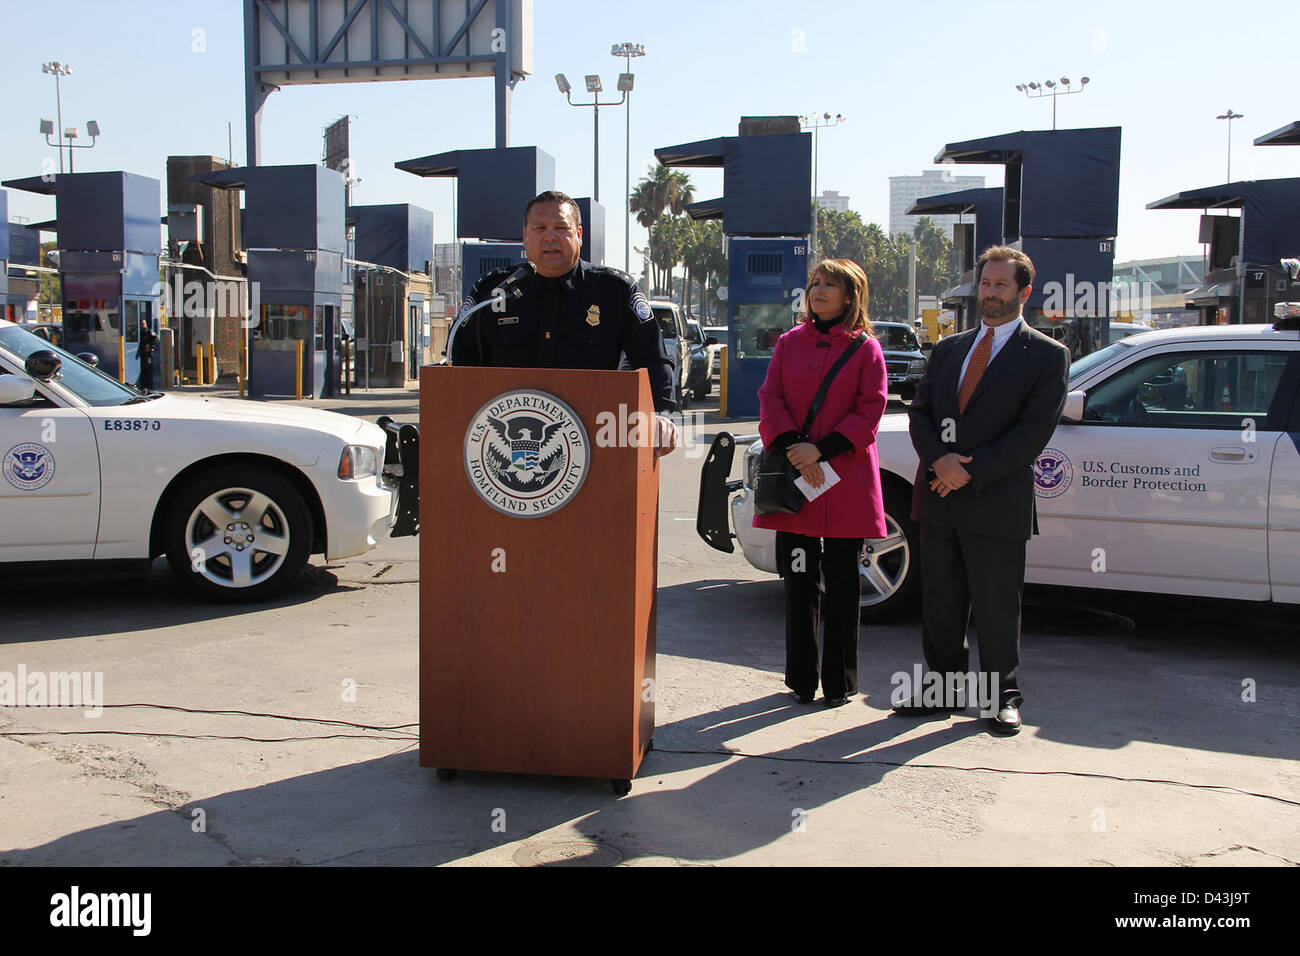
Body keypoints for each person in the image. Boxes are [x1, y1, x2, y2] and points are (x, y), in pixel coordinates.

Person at [899, 246, 1070, 734]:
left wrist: (969, 470)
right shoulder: (950, 349)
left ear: (1024, 292)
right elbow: (921, 413)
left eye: (1001, 285)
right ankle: (943, 690)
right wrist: (941, 461)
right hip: (940, 496)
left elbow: (1033, 432)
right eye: (986, 284)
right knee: (941, 603)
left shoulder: (1046, 355)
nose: (990, 294)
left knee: (997, 605)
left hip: (996, 501)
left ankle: (1002, 697)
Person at [754, 259, 889, 707]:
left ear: (851, 295)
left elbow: (870, 409)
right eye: (815, 283)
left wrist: (821, 449)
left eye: (830, 284)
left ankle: (840, 680)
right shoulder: (789, 343)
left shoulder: (866, 348)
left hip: (843, 480)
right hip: (798, 482)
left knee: (844, 586)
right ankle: (801, 679)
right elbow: (769, 397)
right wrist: (796, 446)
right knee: (798, 581)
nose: (818, 290)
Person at [452, 189, 678, 455]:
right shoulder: (492, 292)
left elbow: (652, 358)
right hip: (504, 447)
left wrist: (663, 415)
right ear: (525, 236)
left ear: (579, 235)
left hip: (596, 445)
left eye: (561, 227)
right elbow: (460, 365)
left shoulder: (614, 291)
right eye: (540, 228)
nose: (550, 236)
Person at [136, 317, 158, 392]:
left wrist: (149, 344)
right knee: (143, 371)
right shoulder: (139, 332)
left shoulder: (149, 331)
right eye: (141, 324)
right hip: (142, 354)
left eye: (144, 324)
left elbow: (156, 339)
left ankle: (149, 386)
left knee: (148, 370)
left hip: (147, 354)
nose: (142, 325)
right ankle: (143, 386)